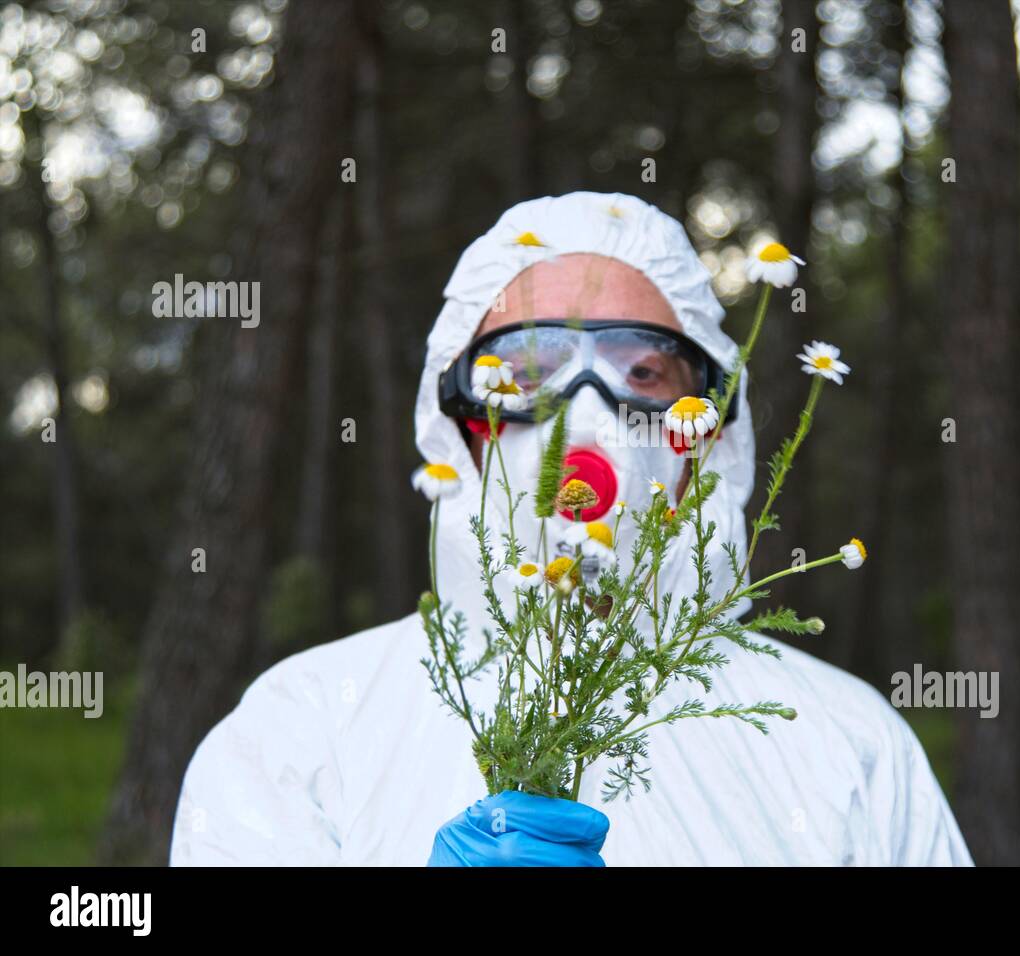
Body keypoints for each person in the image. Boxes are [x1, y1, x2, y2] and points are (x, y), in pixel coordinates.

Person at [170, 192, 973, 866]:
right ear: (461, 430)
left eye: (644, 370)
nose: (587, 414)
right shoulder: (304, 734)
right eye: (525, 370)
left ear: (710, 439)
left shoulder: (847, 745)